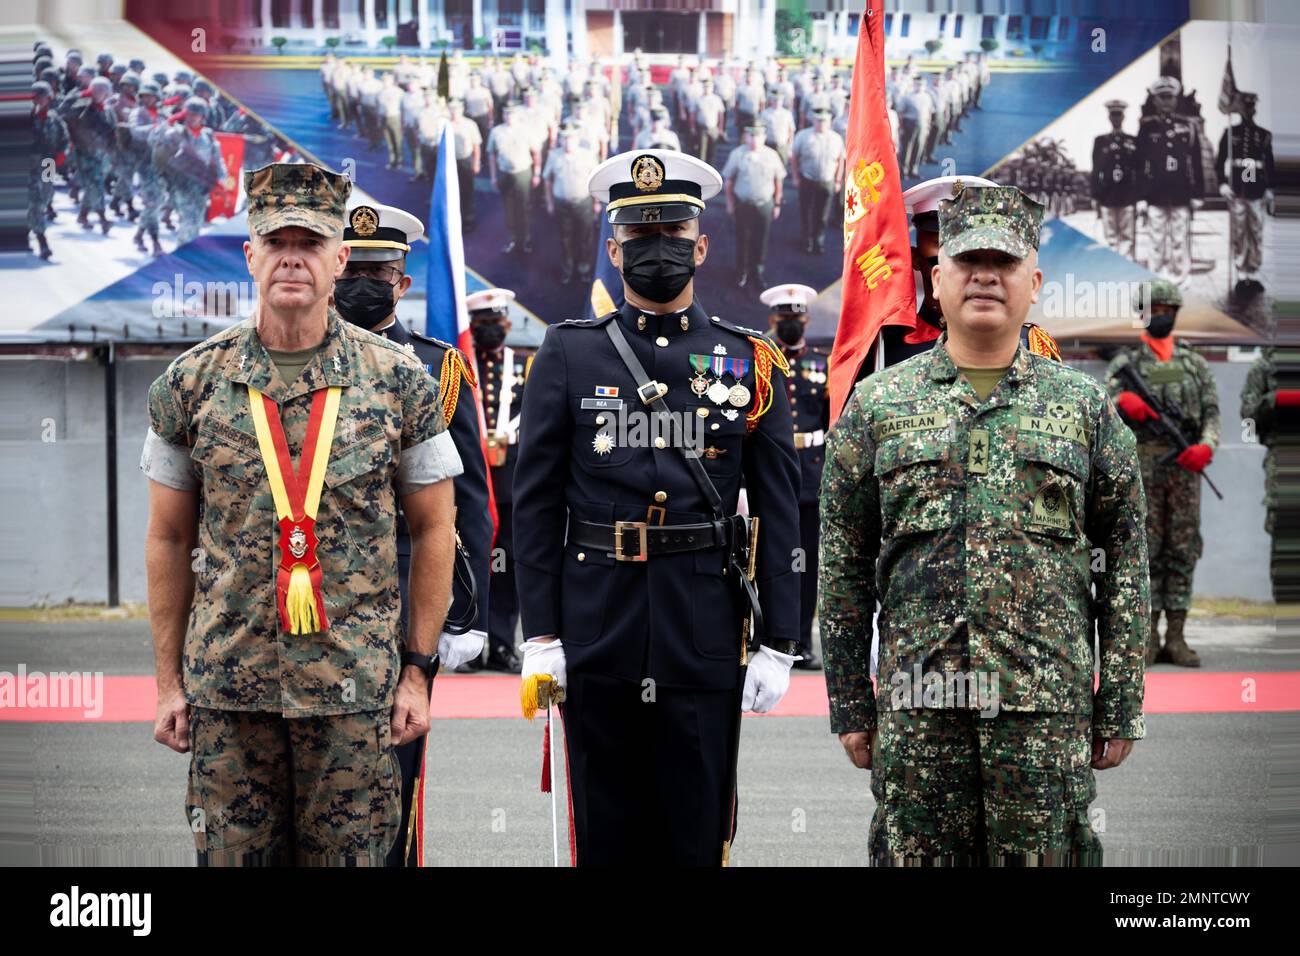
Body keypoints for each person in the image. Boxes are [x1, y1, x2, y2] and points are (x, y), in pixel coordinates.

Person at [141, 162, 464, 865]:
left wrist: (417, 673)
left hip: (354, 699)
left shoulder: (400, 381)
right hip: (229, 697)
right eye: (275, 241)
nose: (293, 257)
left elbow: (437, 529)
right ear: (249, 254)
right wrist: (168, 684)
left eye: (311, 242)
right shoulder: (189, 384)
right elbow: (167, 539)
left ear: (339, 257)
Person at [821, 184, 1148, 866]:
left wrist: (1119, 700)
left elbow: (1123, 559)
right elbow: (842, 565)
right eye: (967, 262)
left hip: (1043, 711)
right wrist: (851, 704)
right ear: (936, 282)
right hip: (919, 708)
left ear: (1034, 283)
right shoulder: (880, 404)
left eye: (1004, 264)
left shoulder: (1083, 407)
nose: (985, 278)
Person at [513, 149, 802, 865]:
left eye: (672, 232)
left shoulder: (749, 359)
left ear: (701, 245)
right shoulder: (568, 354)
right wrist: (541, 635)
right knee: (608, 834)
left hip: (702, 626)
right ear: (613, 249)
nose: (657, 249)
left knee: (696, 832)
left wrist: (780, 640)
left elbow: (782, 508)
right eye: (639, 237)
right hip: (597, 623)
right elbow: (536, 505)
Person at [333, 201, 492, 865]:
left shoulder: (438, 367)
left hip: (404, 578)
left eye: (382, 271)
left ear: (403, 281)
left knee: (393, 769)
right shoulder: (298, 357)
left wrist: (468, 611)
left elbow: (472, 501)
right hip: (313, 578)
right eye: (354, 269)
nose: (365, 283)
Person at [1105, 279, 1219, 667]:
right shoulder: (1126, 364)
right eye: (1157, 310)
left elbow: (1212, 414)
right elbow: (1102, 409)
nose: (1163, 317)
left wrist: (1207, 446)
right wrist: (1122, 401)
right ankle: (1149, 636)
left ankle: (1178, 636)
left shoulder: (1194, 364)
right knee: (1145, 551)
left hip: (1184, 469)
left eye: (1169, 311)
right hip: (1143, 468)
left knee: (1183, 550)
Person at [761, 283, 826, 671]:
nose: (790, 324)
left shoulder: (823, 364)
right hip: (771, 474)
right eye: (783, 319)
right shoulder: (762, 361)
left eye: (796, 318)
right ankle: (765, 637)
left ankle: (800, 641)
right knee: (767, 560)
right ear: (773, 320)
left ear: (806, 319)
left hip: (810, 477)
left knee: (804, 565)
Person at [467, 288, 528, 673]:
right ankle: (469, 642)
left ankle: (504, 644)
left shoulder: (528, 367)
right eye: (483, 324)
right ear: (472, 327)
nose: (491, 330)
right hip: (472, 482)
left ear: (508, 324)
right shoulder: (462, 364)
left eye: (496, 323)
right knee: (471, 561)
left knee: (508, 566)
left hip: (511, 483)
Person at [1137, 76, 1203, 285]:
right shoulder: (1147, 128)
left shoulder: (1188, 126)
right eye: (1162, 97)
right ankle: (1155, 278)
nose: (1166, 101)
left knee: (1179, 239)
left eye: (1170, 97)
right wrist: (1139, 197)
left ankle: (1179, 280)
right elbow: (1139, 164)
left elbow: (1197, 162)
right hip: (1154, 194)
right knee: (1155, 240)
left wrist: (1197, 194)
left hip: (1181, 193)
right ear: (1155, 100)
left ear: (1176, 100)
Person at [1216, 91, 1274, 298]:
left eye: (1251, 107)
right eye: (1245, 107)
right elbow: (1219, 161)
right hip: (1238, 190)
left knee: (1256, 232)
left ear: (1255, 109)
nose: (1248, 110)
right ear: (1240, 110)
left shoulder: (1264, 135)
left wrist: (1270, 188)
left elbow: (1270, 164)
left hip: (1257, 190)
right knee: (1239, 232)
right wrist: (1222, 184)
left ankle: (1254, 271)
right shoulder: (1230, 133)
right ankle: (1241, 274)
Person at [721, 124, 786, 289]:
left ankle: (757, 271)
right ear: (746, 136)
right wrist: (729, 203)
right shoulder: (737, 154)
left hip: (765, 204)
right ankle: (741, 271)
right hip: (743, 204)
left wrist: (777, 203)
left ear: (764, 137)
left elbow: (778, 181)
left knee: (761, 239)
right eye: (751, 136)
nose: (754, 140)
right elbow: (729, 181)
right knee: (743, 238)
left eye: (758, 136)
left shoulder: (772, 155)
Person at [157, 97, 228, 245]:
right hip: (183, 184)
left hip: (202, 185)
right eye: (189, 114)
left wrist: (221, 177)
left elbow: (217, 157)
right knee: (188, 219)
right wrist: (169, 121)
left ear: (203, 117)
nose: (192, 118)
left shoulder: (208, 135)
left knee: (197, 220)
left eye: (196, 115)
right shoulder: (176, 132)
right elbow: (157, 140)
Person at [543, 123, 601, 285]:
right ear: (560, 140)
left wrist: (596, 202)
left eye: (571, 138)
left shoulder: (588, 155)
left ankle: (584, 268)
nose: (568, 142)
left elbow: (595, 180)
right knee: (565, 237)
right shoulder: (554, 156)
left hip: (583, 202)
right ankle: (567, 269)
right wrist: (549, 202)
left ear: (577, 139)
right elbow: (547, 180)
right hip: (562, 204)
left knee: (585, 237)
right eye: (564, 138)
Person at [790, 108, 845, 255]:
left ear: (829, 122)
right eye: (818, 120)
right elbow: (794, 156)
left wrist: (838, 180)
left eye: (824, 121)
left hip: (827, 180)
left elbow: (840, 160)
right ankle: (806, 239)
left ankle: (818, 238)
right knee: (806, 210)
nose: (821, 124)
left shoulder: (836, 138)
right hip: (807, 179)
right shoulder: (803, 136)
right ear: (813, 120)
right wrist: (795, 177)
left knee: (823, 213)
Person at [487, 104, 540, 255]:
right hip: (504, 173)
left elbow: (536, 152)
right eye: (506, 114)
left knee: (523, 207)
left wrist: (536, 173)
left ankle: (526, 238)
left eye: (512, 114)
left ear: (517, 115)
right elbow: (491, 155)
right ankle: (512, 238)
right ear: (503, 115)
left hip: (522, 172)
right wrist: (493, 176)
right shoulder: (496, 132)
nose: (509, 116)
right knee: (508, 208)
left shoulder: (526, 130)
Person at [1091, 99, 1141, 259]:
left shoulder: (1133, 141)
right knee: (1110, 237)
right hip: (1107, 196)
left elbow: (1138, 170)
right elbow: (1096, 170)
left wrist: (1139, 196)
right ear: (1109, 117)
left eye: (1119, 114)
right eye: (1113, 114)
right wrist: (1095, 196)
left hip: (1128, 195)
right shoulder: (1100, 141)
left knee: (1128, 237)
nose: (1116, 118)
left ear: (1124, 117)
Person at [29, 80, 68, 261]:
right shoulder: (26, 117)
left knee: (45, 197)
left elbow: (64, 139)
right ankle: (43, 243)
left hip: (48, 164)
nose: (40, 100)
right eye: (37, 97)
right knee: (36, 202)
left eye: (44, 97)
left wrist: (61, 154)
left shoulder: (54, 119)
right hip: (30, 165)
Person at [446, 98, 482, 230]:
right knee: (452, 191)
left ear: (462, 109)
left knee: (467, 191)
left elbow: (476, 146)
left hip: (465, 161)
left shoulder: (470, 124)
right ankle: (455, 219)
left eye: (457, 108)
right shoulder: (445, 124)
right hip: (450, 162)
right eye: (451, 108)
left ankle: (468, 219)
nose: (454, 111)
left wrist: (476, 163)